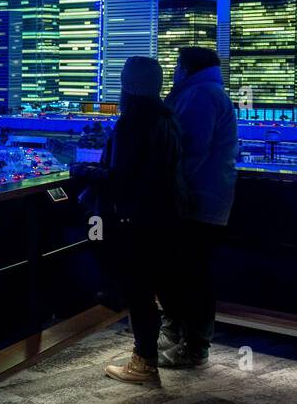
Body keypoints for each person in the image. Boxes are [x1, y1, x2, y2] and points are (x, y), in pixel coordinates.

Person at [73, 56, 186, 385]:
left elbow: (120, 177)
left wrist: (83, 171)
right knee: (150, 288)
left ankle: (144, 363)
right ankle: (147, 357)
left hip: (134, 222)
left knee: (138, 291)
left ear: (126, 85)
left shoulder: (132, 123)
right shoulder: (166, 119)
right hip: (163, 218)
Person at [159, 47, 238, 369]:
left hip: (196, 201)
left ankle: (193, 344)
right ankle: (182, 334)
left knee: (191, 274)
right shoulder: (211, 91)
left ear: (186, 68)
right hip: (205, 199)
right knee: (187, 271)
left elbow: (189, 149)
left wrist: (169, 186)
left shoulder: (200, 95)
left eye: (177, 66)